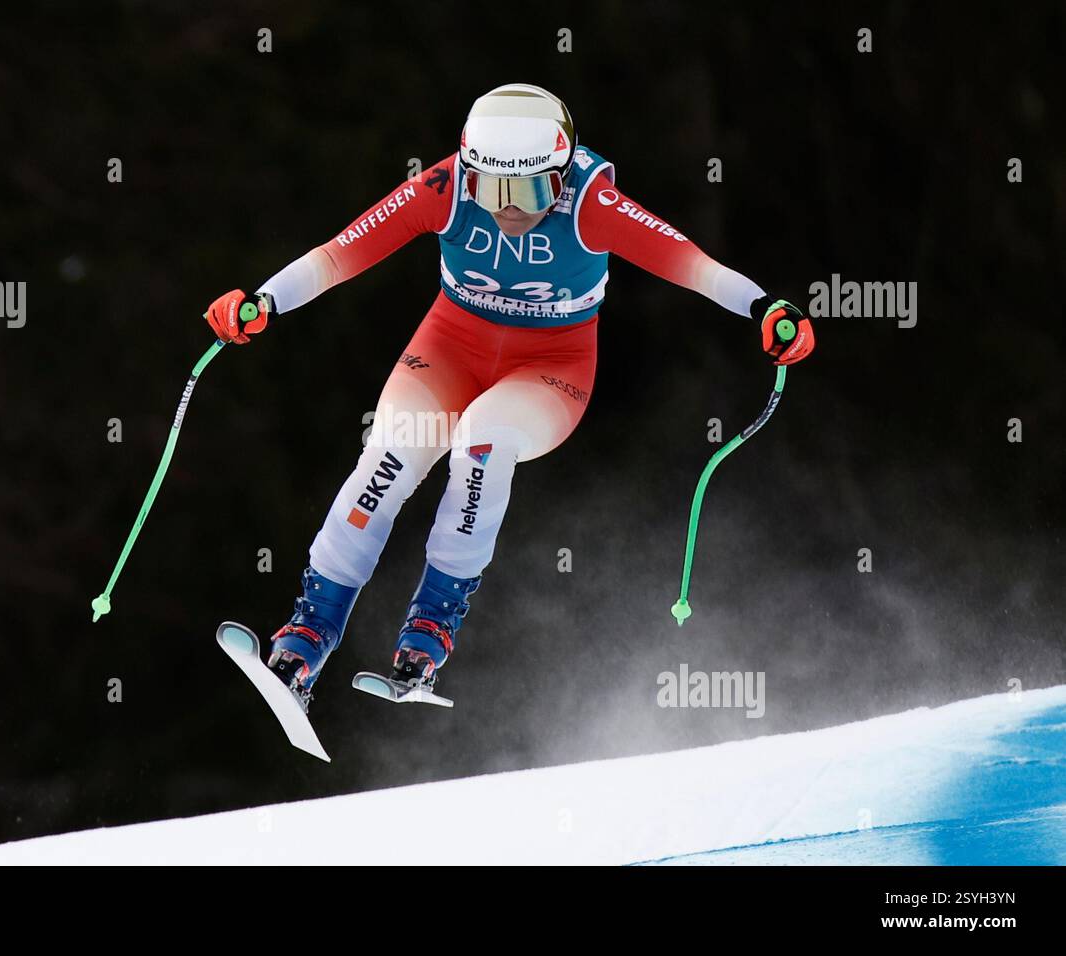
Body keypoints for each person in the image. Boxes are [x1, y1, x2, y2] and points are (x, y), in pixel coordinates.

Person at [204, 83, 815, 709]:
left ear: (560, 171)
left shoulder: (589, 201)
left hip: (549, 370)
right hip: (448, 351)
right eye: (492, 189)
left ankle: (427, 637)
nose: (508, 209)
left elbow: (687, 262)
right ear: (469, 169)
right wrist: (263, 302)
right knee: (389, 458)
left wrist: (764, 308)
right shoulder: (444, 190)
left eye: (528, 191)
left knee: (482, 442)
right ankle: (305, 640)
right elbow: (342, 253)